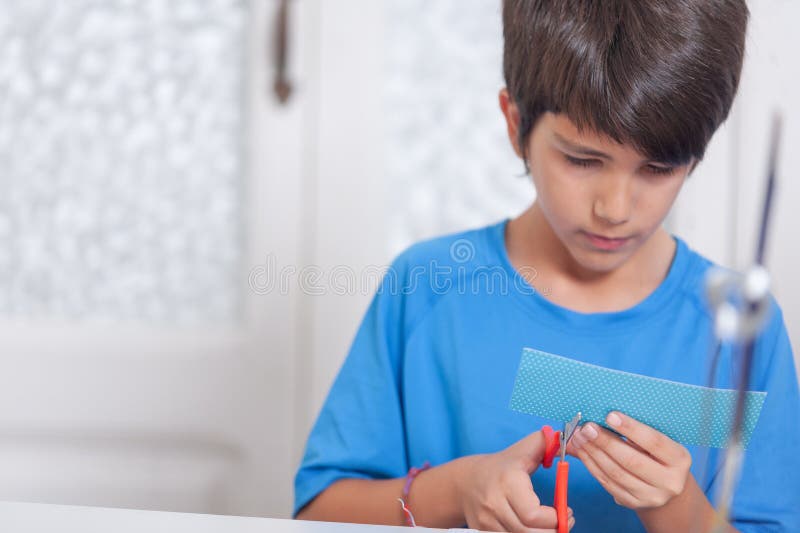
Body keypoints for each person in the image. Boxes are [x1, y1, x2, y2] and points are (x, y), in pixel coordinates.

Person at [294, 1, 800, 531]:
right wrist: (457, 490)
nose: (615, 209)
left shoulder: (742, 327)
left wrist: (675, 507)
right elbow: (317, 511)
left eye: (659, 168)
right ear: (516, 126)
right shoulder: (427, 288)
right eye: (582, 160)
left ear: (697, 154)